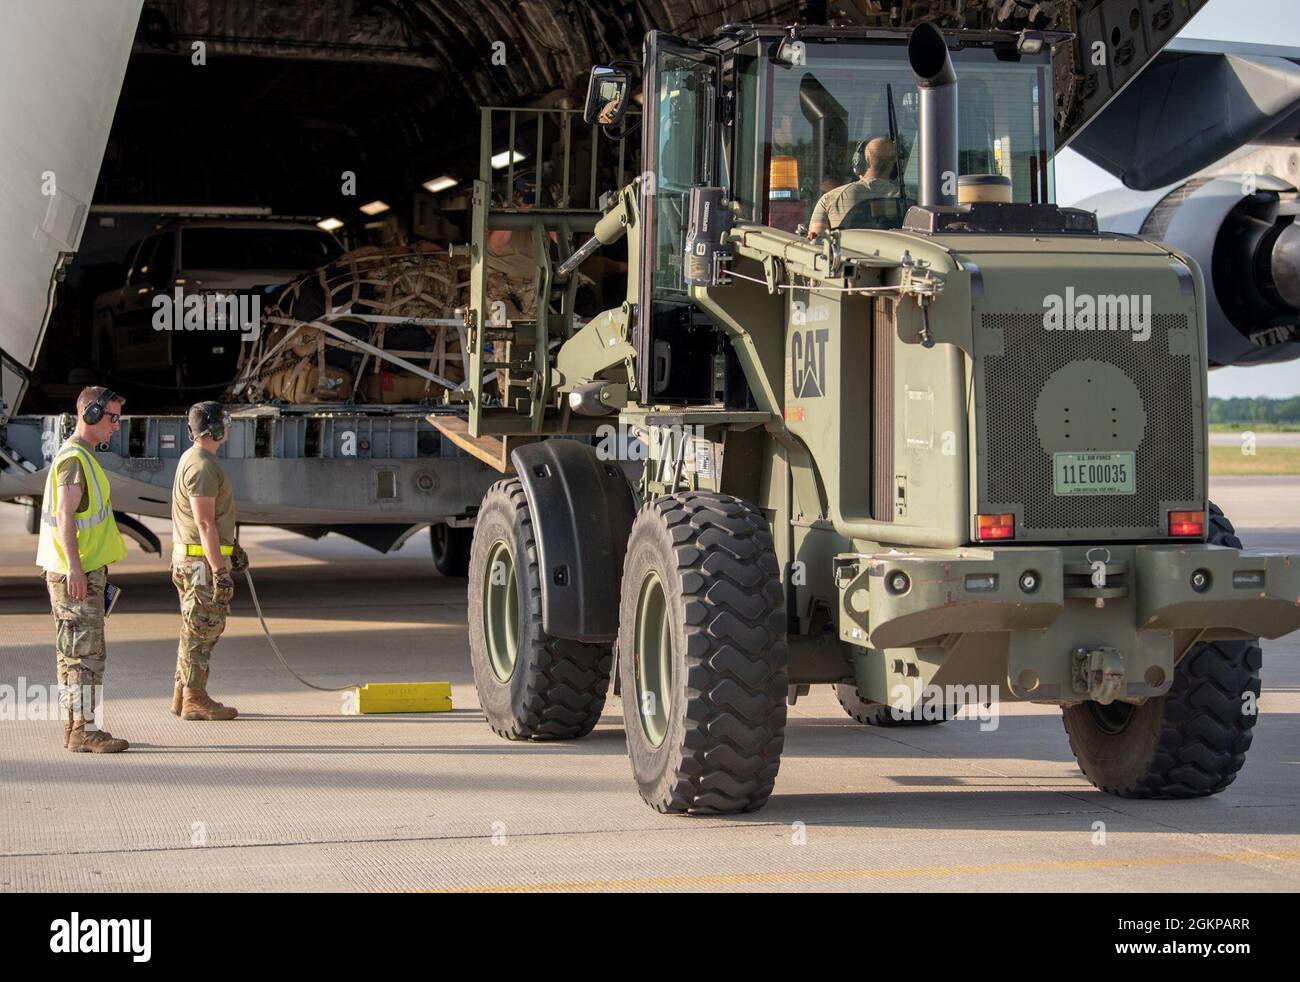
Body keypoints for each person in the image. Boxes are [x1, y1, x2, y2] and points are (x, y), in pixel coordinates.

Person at [35, 386, 131, 753]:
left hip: (82, 570)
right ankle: (85, 731)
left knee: (75, 653)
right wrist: (75, 569)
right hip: (75, 573)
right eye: (112, 418)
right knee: (85, 655)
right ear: (90, 415)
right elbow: (65, 518)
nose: (116, 426)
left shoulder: (83, 457)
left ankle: (77, 729)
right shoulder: (74, 459)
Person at [169, 401, 246, 721]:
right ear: (214, 428)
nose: (228, 427)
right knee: (203, 631)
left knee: (193, 630)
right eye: (224, 422)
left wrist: (231, 549)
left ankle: (181, 693)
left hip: (194, 559)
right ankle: (194, 697)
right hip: (200, 566)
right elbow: (204, 523)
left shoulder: (195, 459)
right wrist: (219, 570)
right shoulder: (201, 467)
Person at [807, 136, 901, 238]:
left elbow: (817, 242)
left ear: (859, 161)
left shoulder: (831, 198)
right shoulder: (905, 199)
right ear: (895, 164)